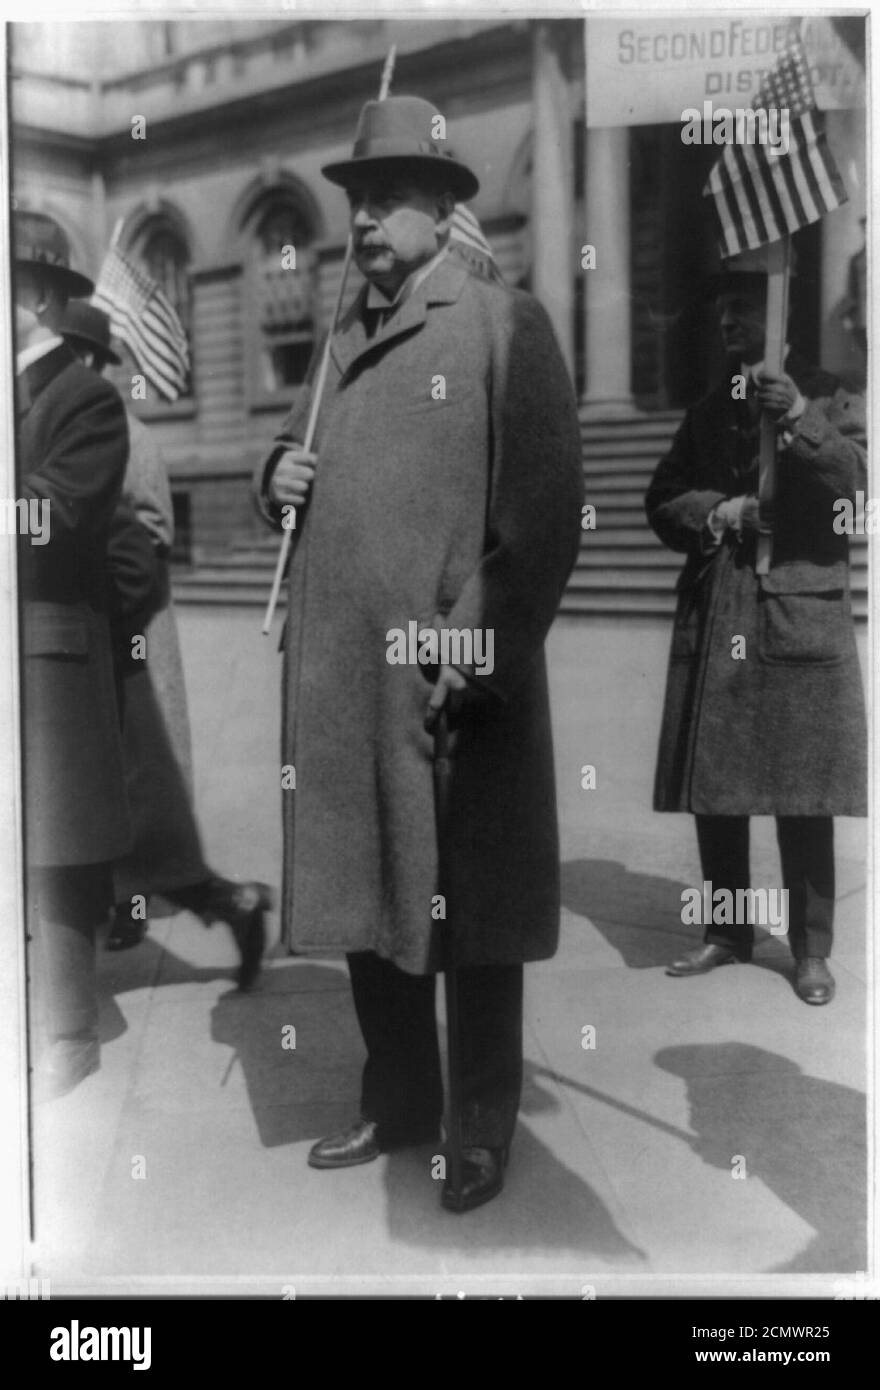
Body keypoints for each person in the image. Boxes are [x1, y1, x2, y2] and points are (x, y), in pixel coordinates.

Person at [254, 95, 583, 1212]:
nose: (365, 221)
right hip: (344, 682)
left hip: (453, 685)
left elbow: (541, 520)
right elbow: (308, 471)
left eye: (390, 197)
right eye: (357, 200)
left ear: (446, 209)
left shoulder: (503, 323)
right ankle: (397, 1098)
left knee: (470, 910)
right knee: (364, 900)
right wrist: (272, 480)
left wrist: (474, 647)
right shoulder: (341, 337)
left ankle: (479, 1122)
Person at [645, 250, 867, 1006]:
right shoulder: (710, 409)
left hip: (797, 612)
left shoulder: (835, 397)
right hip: (722, 612)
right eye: (720, 311)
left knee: (803, 791)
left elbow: (857, 492)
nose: (726, 321)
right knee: (721, 788)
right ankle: (727, 929)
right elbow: (662, 500)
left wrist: (800, 418)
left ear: (774, 310)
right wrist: (726, 511)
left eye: (741, 306)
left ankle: (810, 950)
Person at [59, 300, 270, 985]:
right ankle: (136, 904)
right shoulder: (63, 430)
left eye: (69, 351)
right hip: (92, 641)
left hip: (132, 637)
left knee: (140, 800)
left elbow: (146, 543)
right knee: (115, 801)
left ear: (89, 361)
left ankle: (207, 903)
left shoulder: (127, 436)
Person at [13, 212, 131, 1099]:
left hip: (47, 651)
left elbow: (51, 520)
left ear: (42, 299)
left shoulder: (83, 400)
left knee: (55, 850)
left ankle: (68, 1031)